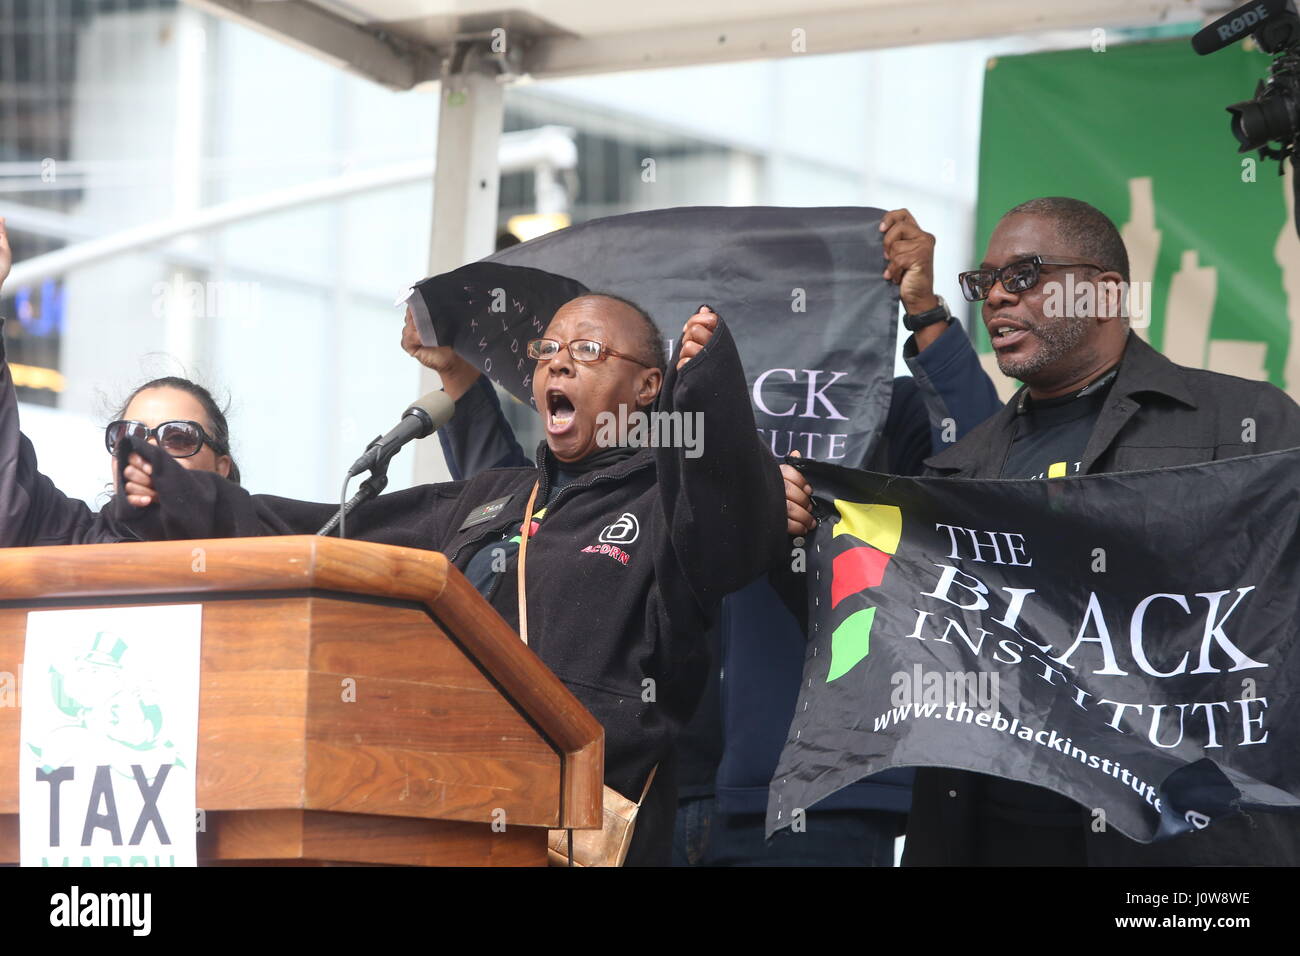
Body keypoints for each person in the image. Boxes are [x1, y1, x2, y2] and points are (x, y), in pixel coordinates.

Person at [405, 209, 1003, 865]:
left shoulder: (878, 412)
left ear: (840, 301)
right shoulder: (665, 424)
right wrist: (460, 380)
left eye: (793, 293)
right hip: (648, 790)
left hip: (809, 791)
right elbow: (531, 520)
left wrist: (927, 316)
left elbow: (987, 473)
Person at [114, 293, 788, 867]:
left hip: (576, 834)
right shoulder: (489, 497)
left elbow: (732, 515)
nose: (557, 359)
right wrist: (176, 493)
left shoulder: (666, 506)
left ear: (648, 387)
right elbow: (319, 533)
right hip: (453, 815)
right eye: (549, 346)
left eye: (587, 351)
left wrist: (708, 384)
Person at [787, 196, 1300, 866]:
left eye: (1024, 276)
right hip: (994, 829)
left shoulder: (1245, 425)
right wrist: (800, 539)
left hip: (1183, 848)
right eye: (985, 283)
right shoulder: (958, 472)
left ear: (1105, 290)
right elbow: (894, 639)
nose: (996, 297)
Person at [0, 217, 238, 547]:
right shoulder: (75, 536)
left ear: (221, 467)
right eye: (130, 436)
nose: (148, 450)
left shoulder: (269, 539)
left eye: (178, 437)